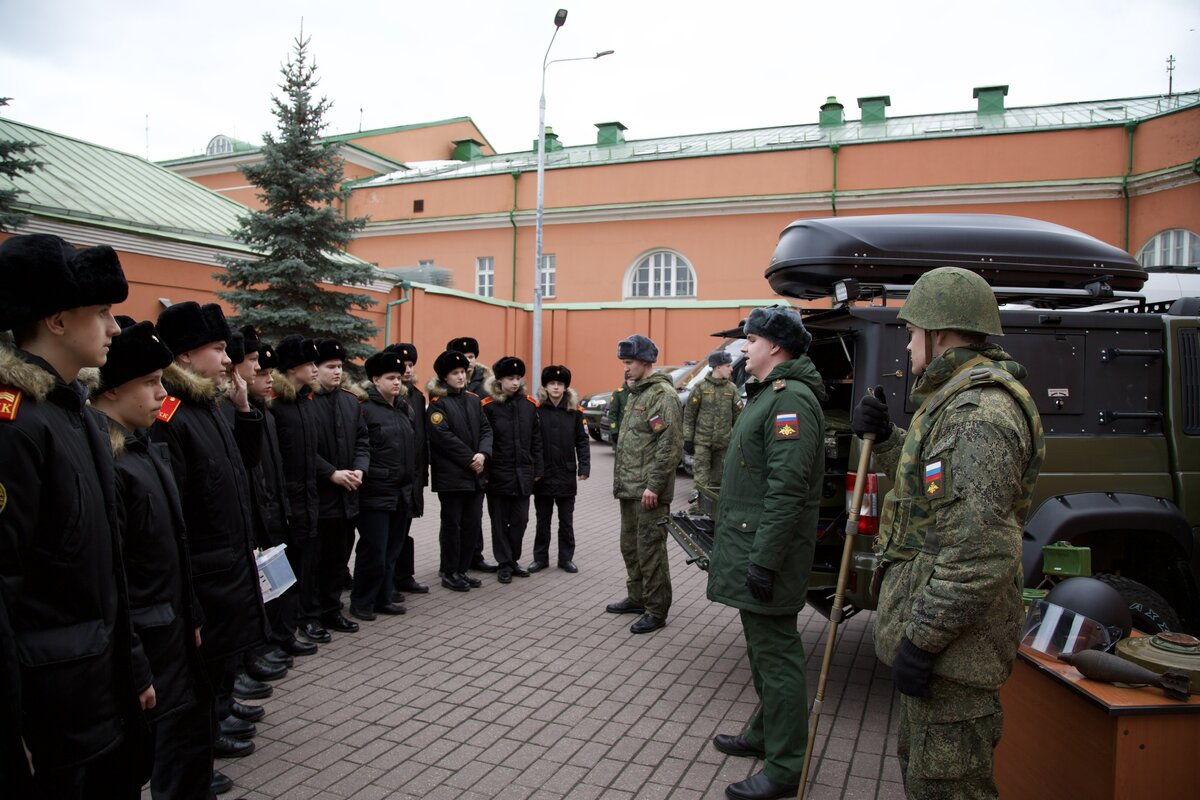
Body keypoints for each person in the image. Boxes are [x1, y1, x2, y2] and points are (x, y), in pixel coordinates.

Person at [851, 267, 1045, 800]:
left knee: (949, 787)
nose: (907, 344)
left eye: (911, 332)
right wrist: (889, 440)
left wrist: (924, 638)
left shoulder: (977, 414)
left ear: (938, 335)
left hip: (957, 653)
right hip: (945, 647)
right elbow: (933, 499)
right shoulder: (951, 400)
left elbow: (980, 550)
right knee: (925, 775)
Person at [0, 234, 150, 798]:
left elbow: (109, 560)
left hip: (95, 690)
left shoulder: (78, 415)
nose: (115, 328)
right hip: (49, 706)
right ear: (58, 320)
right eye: (103, 313)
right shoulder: (15, 424)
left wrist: (131, 669)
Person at [90, 318, 213, 800]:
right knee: (154, 754)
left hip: (172, 627)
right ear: (113, 390)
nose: (163, 393)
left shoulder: (142, 448)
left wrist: (193, 613)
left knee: (186, 744)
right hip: (147, 637)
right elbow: (113, 574)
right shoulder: (110, 462)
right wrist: (137, 663)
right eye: (149, 382)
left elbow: (173, 546)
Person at [706, 306, 825, 800]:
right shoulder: (767, 395)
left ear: (775, 347)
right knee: (761, 649)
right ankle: (763, 733)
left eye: (750, 340)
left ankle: (787, 766)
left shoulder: (789, 399)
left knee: (778, 656)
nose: (743, 347)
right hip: (753, 543)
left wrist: (765, 559)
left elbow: (787, 489)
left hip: (767, 550)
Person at [153, 300, 268, 769]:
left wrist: (242, 407)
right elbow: (172, 517)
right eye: (218, 349)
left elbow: (243, 465)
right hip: (204, 575)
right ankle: (194, 760)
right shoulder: (171, 416)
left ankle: (214, 729)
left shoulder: (211, 406)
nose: (228, 359)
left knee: (219, 668)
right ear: (183, 356)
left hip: (226, 567)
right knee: (196, 683)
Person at [606, 334, 682, 635]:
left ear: (647, 362)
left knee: (650, 550)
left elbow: (670, 445)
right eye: (624, 364)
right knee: (631, 547)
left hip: (649, 492)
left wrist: (654, 485)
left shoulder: (661, 395)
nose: (625, 369)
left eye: (629, 363)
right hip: (630, 489)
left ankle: (656, 609)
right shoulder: (637, 393)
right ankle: (637, 598)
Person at [269, 335, 329, 644]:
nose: (316, 369)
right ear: (293, 369)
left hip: (309, 501)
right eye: (310, 364)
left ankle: (303, 621)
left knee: (307, 567)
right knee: (286, 573)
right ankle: (283, 632)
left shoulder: (306, 403)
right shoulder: (277, 406)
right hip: (289, 505)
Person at [351, 350, 416, 619]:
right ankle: (362, 602)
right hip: (375, 492)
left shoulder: (403, 408)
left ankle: (384, 597)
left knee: (392, 551)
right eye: (391, 378)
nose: (397, 382)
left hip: (401, 491)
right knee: (374, 550)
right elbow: (361, 447)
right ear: (375, 380)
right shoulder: (364, 409)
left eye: (399, 378)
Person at [311, 338, 370, 634]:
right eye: (329, 367)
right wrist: (331, 473)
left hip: (347, 496)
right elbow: (303, 450)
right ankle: (311, 614)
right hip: (321, 497)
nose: (336, 372)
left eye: (339, 367)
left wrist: (360, 468)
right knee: (316, 560)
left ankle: (332, 609)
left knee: (338, 559)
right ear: (315, 368)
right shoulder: (306, 401)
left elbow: (362, 439)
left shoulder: (350, 401)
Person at [427, 350, 493, 591]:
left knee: (472, 524)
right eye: (455, 373)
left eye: (463, 372)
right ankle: (449, 570)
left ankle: (463, 569)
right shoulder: (438, 404)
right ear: (444, 377)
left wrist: (483, 454)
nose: (460, 377)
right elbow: (442, 437)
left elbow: (486, 430)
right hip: (452, 477)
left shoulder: (474, 400)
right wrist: (469, 458)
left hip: (475, 475)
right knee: (452, 525)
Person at [480, 356, 543, 584]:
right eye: (510, 378)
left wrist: (537, 468)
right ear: (500, 380)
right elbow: (484, 440)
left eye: (518, 378)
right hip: (498, 474)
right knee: (499, 522)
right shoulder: (488, 406)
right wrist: (485, 473)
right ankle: (504, 563)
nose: (515, 382)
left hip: (523, 474)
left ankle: (513, 559)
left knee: (521, 520)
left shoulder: (529, 405)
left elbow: (536, 439)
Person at [529, 364, 590, 574]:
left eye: (560, 384)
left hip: (565, 473)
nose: (556, 387)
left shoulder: (574, 412)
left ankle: (566, 559)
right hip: (542, 474)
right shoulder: (536, 410)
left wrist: (584, 466)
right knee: (542, 520)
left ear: (565, 387)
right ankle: (540, 558)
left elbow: (582, 441)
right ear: (545, 386)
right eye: (552, 384)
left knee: (566, 521)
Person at [446, 336, 499, 571]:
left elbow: (491, 423)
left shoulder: (486, 383)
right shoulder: (443, 390)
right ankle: (453, 564)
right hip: (458, 464)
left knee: (474, 516)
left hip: (482, 458)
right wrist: (469, 457)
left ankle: (474, 556)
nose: (468, 362)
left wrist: (484, 454)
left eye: (471, 357)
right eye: (463, 357)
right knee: (455, 519)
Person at [385, 342, 429, 596]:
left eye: (411, 365)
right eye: (403, 366)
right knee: (391, 534)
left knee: (406, 528)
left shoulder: (417, 395)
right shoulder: (392, 396)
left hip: (413, 475)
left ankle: (404, 576)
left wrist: (421, 475)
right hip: (394, 477)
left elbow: (421, 439)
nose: (408, 370)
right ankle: (388, 582)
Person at [684, 349, 741, 508]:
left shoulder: (732, 389)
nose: (731, 369)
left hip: (723, 443)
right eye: (728, 365)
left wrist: (737, 440)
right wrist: (688, 439)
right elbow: (689, 415)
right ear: (717, 367)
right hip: (702, 442)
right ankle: (697, 509)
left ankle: (714, 511)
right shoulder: (700, 387)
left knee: (718, 480)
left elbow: (739, 418)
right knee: (700, 479)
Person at [606, 375, 634, 445]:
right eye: (630, 380)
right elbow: (612, 414)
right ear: (626, 380)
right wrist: (614, 431)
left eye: (634, 380)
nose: (633, 382)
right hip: (621, 434)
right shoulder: (618, 394)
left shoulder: (640, 393)